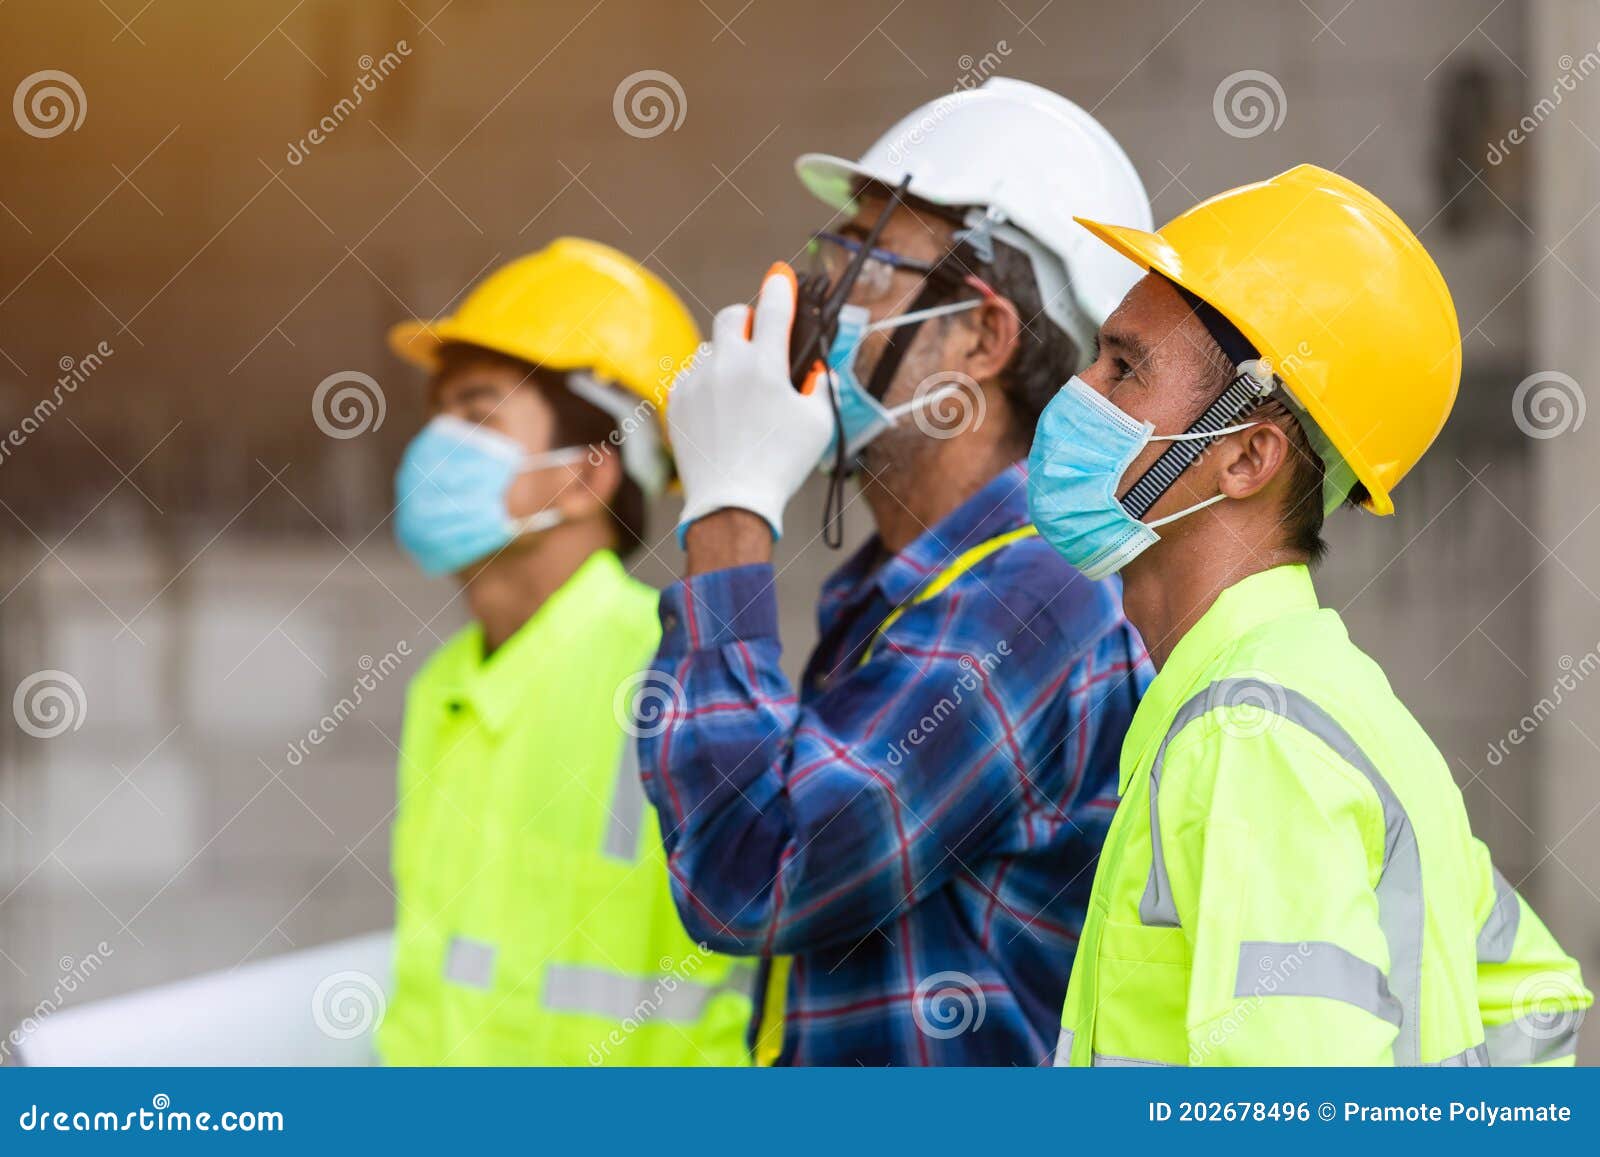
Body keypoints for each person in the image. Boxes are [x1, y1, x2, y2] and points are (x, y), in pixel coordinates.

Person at [637, 79, 1153, 1066]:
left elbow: (746, 873)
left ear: (983, 337)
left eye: (865, 272)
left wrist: (732, 506)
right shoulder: (915, 589)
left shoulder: (1027, 604)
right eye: (831, 258)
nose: (820, 305)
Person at [1029, 164, 1593, 1066]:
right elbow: (1535, 999)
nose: (1079, 391)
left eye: (1126, 367)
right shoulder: (1326, 699)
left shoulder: (1250, 735)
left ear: (1247, 455)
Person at [376, 238, 752, 1066]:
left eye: (476, 413)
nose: (437, 444)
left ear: (586, 476)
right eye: (437, 412)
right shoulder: (446, 684)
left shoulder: (680, 671)